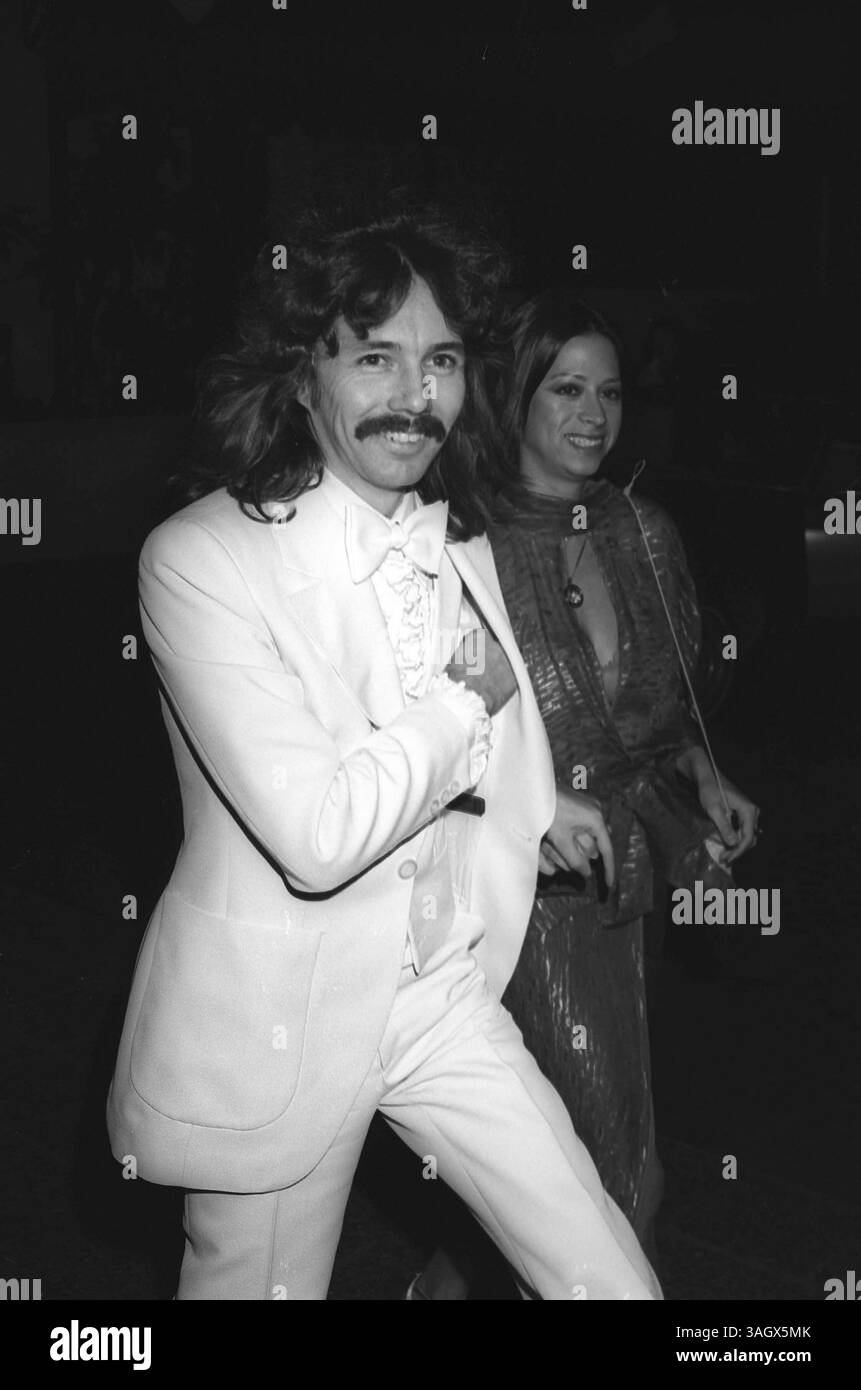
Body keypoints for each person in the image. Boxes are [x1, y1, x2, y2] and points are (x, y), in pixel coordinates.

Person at [106, 212, 661, 1301]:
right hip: (282, 1015)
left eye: (441, 359)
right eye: (374, 357)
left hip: (435, 987)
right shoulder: (199, 560)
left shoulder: (447, 531)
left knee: (606, 1274)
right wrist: (467, 711)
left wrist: (533, 803)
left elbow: (468, 718)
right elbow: (319, 834)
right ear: (301, 374)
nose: (416, 395)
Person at [414, 289, 759, 1299]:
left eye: (609, 391)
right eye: (566, 387)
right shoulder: (457, 548)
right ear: (512, 397)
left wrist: (704, 775)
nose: (593, 413)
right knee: (613, 1178)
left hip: (622, 891)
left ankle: (444, 1287)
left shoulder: (643, 532)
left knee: (524, 1179)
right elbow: (436, 738)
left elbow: (659, 709)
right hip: (513, 898)